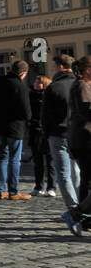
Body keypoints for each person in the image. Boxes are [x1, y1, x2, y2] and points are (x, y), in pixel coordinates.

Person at [0, 60, 32, 201]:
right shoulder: (20, 86)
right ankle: (14, 191)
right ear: (22, 74)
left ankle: (1, 190)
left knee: (2, 157)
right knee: (15, 159)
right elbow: (26, 112)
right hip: (14, 127)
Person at [43, 54, 81, 213]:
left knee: (63, 173)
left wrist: (46, 133)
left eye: (53, 66)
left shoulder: (53, 87)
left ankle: (73, 209)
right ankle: (82, 205)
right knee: (77, 170)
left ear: (60, 67)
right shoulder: (81, 84)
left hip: (58, 133)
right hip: (77, 133)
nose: (51, 69)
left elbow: (45, 115)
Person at [63, 56, 91, 236]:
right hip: (85, 140)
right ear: (87, 69)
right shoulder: (82, 85)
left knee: (87, 181)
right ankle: (77, 215)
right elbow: (86, 111)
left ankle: (83, 218)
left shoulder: (83, 84)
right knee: (87, 181)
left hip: (83, 138)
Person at [29, 75, 55, 197]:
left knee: (50, 161)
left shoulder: (49, 97)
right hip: (35, 131)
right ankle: (38, 185)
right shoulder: (30, 96)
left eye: (38, 82)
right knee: (37, 161)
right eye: (35, 81)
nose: (35, 83)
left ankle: (51, 187)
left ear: (44, 84)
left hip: (47, 132)